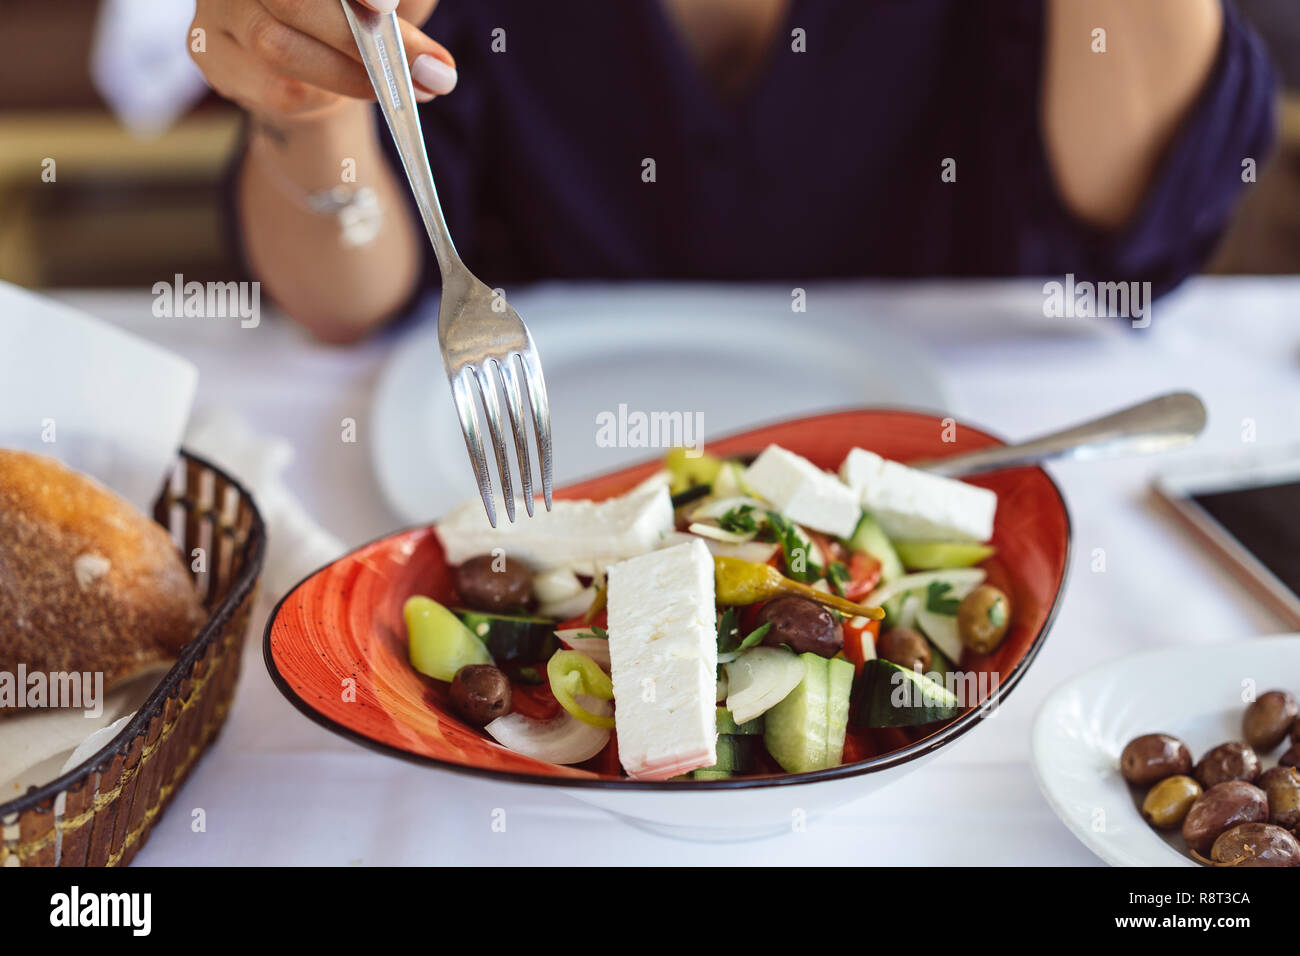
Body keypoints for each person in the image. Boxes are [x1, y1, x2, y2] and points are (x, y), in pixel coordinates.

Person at [191, 0, 1277, 343]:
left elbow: (1141, 227)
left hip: (967, 483)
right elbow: (342, 302)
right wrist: (316, 106)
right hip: (541, 491)